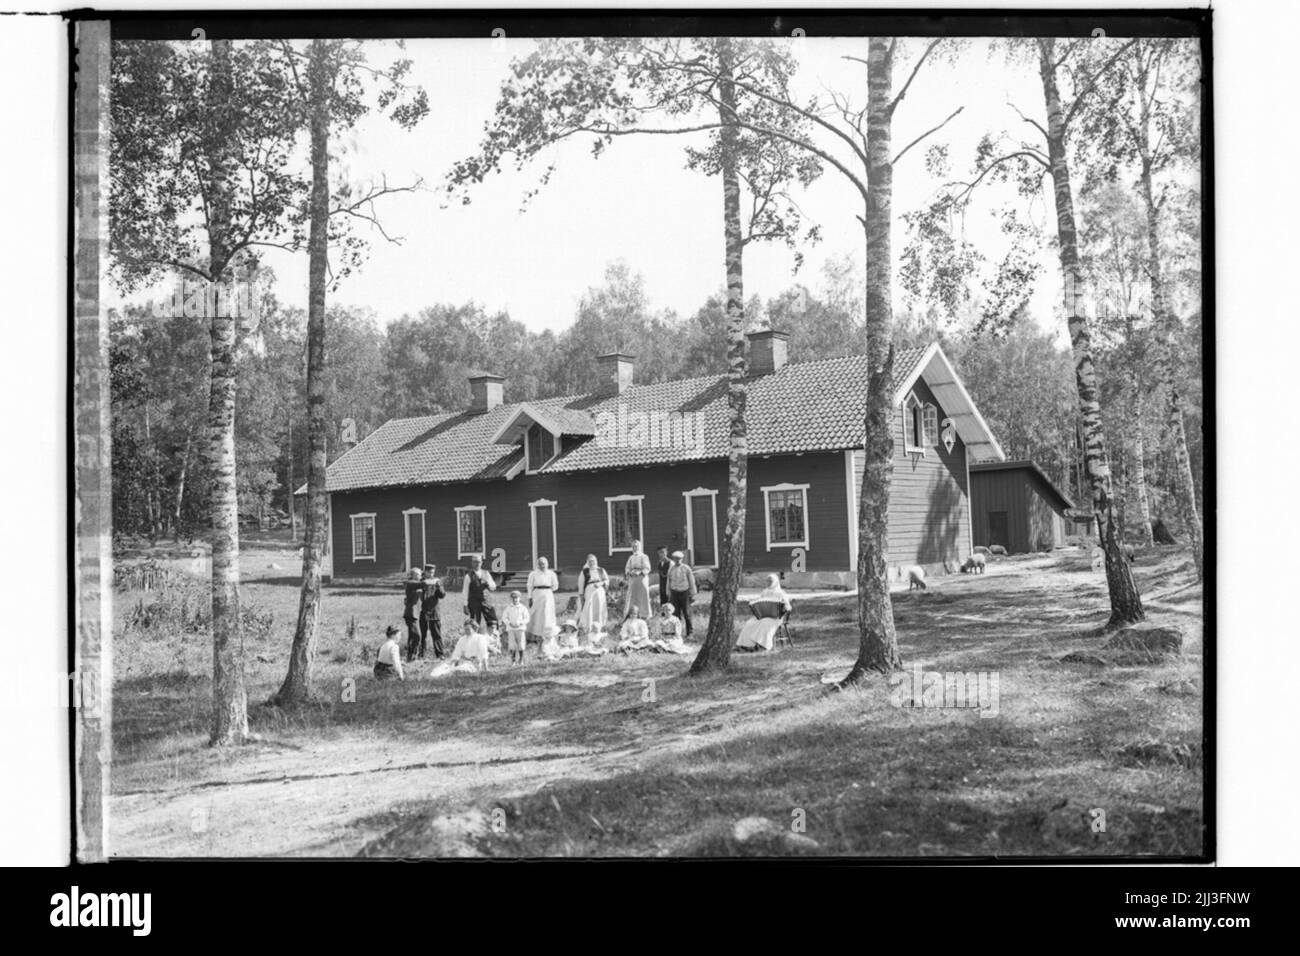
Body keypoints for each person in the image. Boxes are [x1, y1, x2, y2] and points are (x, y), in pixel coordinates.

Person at [735, 574, 793, 652]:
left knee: (765, 623)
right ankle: (745, 646)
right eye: (767, 581)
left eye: (770, 581)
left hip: (776, 618)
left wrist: (784, 608)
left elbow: (788, 607)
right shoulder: (764, 592)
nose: (768, 582)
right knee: (750, 623)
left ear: (775, 582)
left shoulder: (781, 593)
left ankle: (762, 646)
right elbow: (760, 602)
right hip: (763, 616)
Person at [526, 556, 559, 646]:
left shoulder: (551, 574)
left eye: (543, 563)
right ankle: (534, 636)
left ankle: (547, 635)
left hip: (548, 594)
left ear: (547, 564)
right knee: (536, 614)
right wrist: (529, 597)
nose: (542, 565)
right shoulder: (533, 574)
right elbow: (529, 586)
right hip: (537, 593)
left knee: (547, 613)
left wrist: (547, 590)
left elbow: (555, 586)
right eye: (540, 564)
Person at [665, 550, 697, 638]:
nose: (677, 560)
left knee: (687, 612)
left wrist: (693, 592)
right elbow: (668, 581)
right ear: (673, 559)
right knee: (675, 613)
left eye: (679, 559)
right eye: (676, 559)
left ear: (682, 559)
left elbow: (691, 581)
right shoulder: (671, 569)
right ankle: (677, 632)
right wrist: (668, 592)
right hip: (674, 592)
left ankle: (690, 632)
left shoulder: (686, 568)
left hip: (684, 592)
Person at [463, 554, 499, 629]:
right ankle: (475, 638)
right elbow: (465, 591)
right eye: (475, 562)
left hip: (486, 600)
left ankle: (494, 637)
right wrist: (465, 605)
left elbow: (493, 587)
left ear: (481, 563)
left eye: (478, 562)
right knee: (475, 622)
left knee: (492, 620)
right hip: (474, 601)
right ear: (472, 563)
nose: (477, 564)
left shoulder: (486, 573)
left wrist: (488, 583)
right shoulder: (468, 576)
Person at [578, 554, 609, 637]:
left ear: (596, 561)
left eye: (593, 561)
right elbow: (581, 584)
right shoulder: (584, 572)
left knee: (600, 607)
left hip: (600, 590)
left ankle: (599, 626)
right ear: (587, 562)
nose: (592, 563)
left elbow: (606, 580)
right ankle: (589, 627)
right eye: (590, 561)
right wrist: (581, 595)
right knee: (590, 607)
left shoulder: (601, 570)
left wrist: (601, 583)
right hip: (590, 590)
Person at [419, 564, 446, 659]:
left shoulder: (437, 581)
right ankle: (421, 654)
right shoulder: (421, 582)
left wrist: (439, 587)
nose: (431, 574)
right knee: (422, 634)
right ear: (425, 572)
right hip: (423, 610)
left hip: (434, 611)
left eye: (432, 572)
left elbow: (442, 595)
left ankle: (440, 654)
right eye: (429, 572)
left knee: (436, 634)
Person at [623, 540, 652, 619]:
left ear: (640, 547)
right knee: (632, 596)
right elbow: (627, 568)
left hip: (641, 578)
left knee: (643, 595)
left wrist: (640, 572)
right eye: (633, 546)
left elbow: (647, 568)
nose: (635, 548)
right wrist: (629, 572)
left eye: (636, 546)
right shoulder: (631, 557)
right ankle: (632, 613)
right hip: (633, 579)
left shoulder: (644, 556)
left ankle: (644, 614)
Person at [501, 591, 530, 664]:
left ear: (519, 598)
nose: (515, 599)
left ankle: (521, 659)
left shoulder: (523, 608)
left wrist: (521, 623)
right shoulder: (508, 608)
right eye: (513, 598)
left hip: (520, 628)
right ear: (511, 599)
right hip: (511, 628)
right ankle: (513, 660)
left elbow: (527, 618)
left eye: (516, 598)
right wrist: (509, 623)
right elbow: (504, 617)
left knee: (521, 644)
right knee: (512, 644)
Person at [402, 568, 424, 662]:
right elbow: (423, 584)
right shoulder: (410, 583)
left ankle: (410, 657)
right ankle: (412, 657)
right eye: (419, 574)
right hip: (411, 613)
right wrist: (432, 580)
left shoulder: (416, 584)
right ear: (414, 575)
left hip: (415, 614)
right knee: (417, 636)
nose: (421, 576)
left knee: (412, 636)